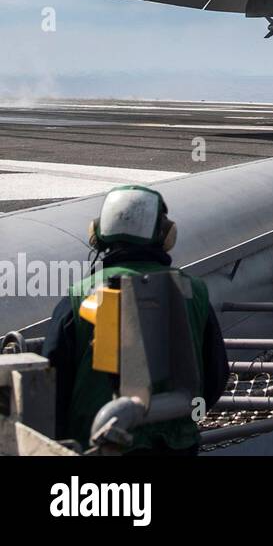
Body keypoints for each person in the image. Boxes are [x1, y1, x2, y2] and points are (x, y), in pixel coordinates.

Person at [42, 185, 229, 454]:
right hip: (176, 445)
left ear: (98, 235)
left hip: (96, 445)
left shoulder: (80, 297)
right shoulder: (194, 293)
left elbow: (52, 384)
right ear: (165, 236)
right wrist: (182, 421)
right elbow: (215, 374)